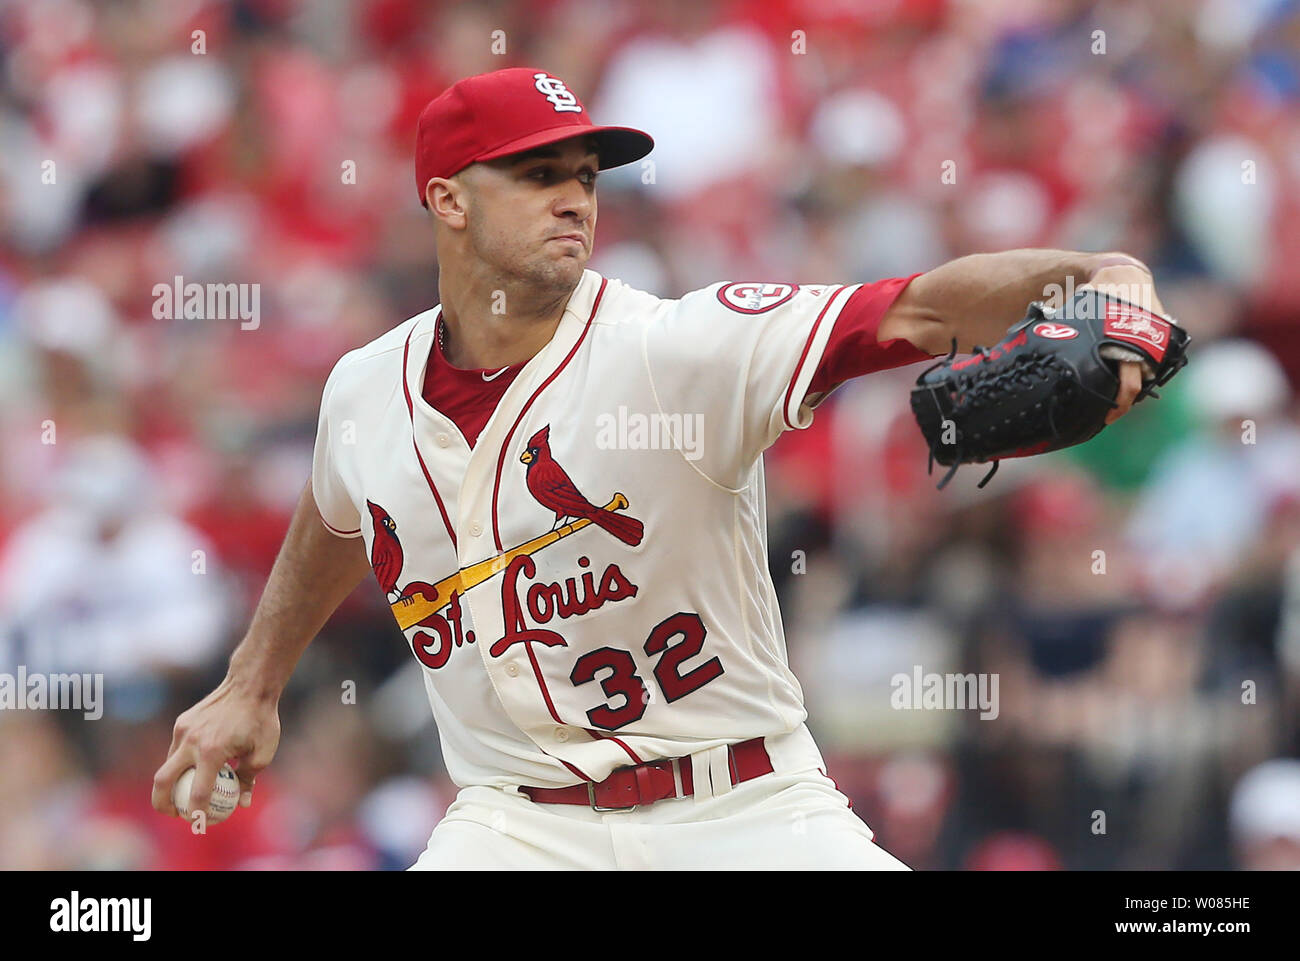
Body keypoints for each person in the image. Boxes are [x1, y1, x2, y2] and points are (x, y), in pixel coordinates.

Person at [152, 67, 1157, 869]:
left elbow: (918, 311)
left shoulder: (678, 348)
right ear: (447, 200)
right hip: (517, 823)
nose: (573, 200)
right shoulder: (365, 391)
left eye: (585, 176)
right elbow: (339, 519)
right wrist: (252, 683)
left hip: (745, 806)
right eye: (538, 175)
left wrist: (1101, 277)